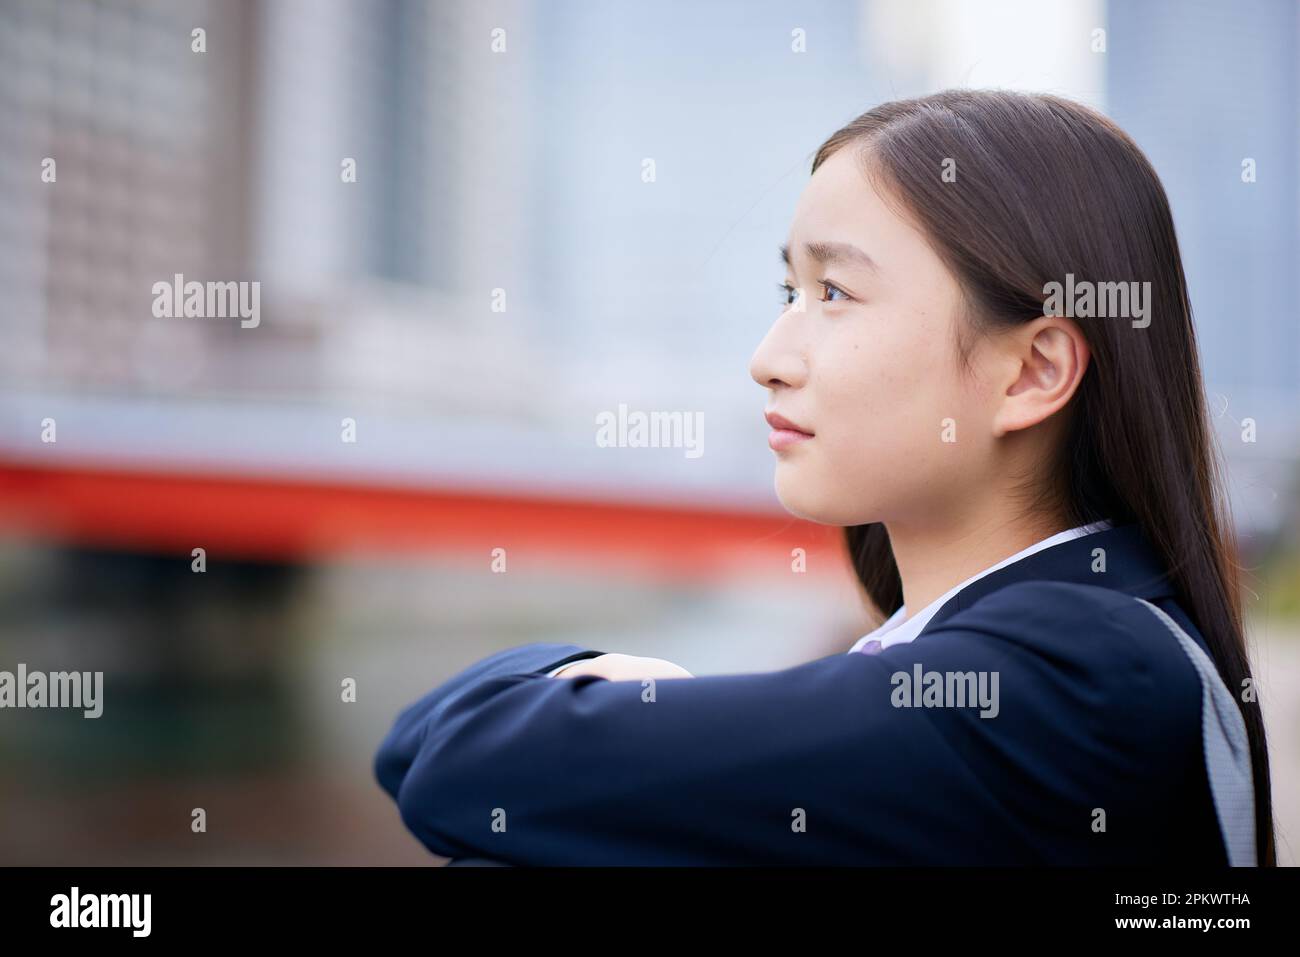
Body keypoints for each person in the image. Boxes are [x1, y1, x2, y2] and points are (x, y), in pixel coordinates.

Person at [374, 89, 1273, 866]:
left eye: (835, 293)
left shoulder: (1071, 679)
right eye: (787, 294)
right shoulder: (1096, 636)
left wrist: (631, 686)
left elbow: (455, 759)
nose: (769, 358)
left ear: (1032, 372)